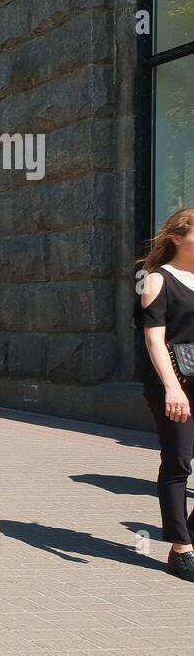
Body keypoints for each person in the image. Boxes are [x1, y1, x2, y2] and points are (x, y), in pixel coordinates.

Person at [138, 207, 194, 583]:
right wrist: (172, 387)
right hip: (175, 383)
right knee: (178, 461)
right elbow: (154, 339)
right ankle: (181, 549)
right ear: (177, 237)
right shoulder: (157, 280)